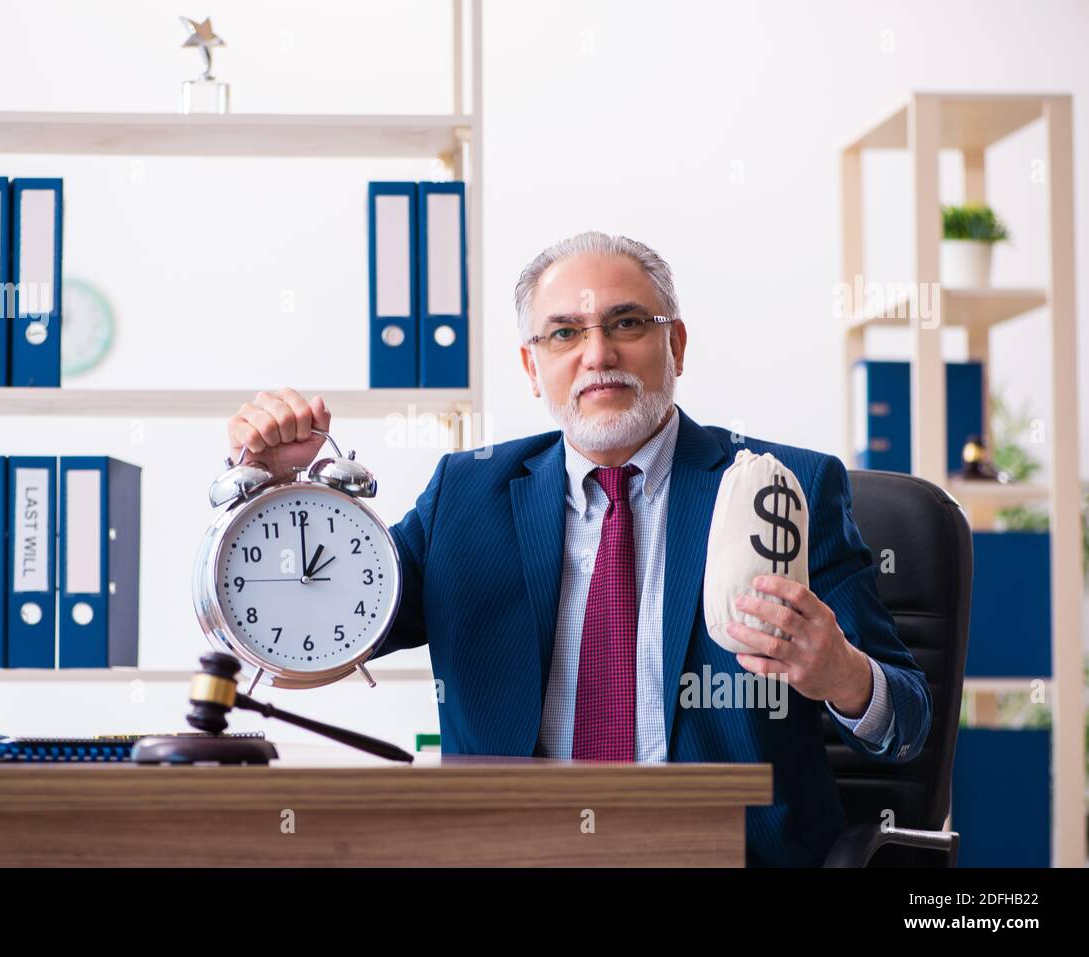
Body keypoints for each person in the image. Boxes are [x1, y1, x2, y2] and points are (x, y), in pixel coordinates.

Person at [226, 231, 931, 867]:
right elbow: (320, 628)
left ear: (676, 345)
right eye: (564, 333)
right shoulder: (464, 498)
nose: (598, 354)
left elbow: (908, 723)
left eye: (627, 323)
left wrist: (843, 673)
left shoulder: (788, 489)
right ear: (532, 367)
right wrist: (283, 497)